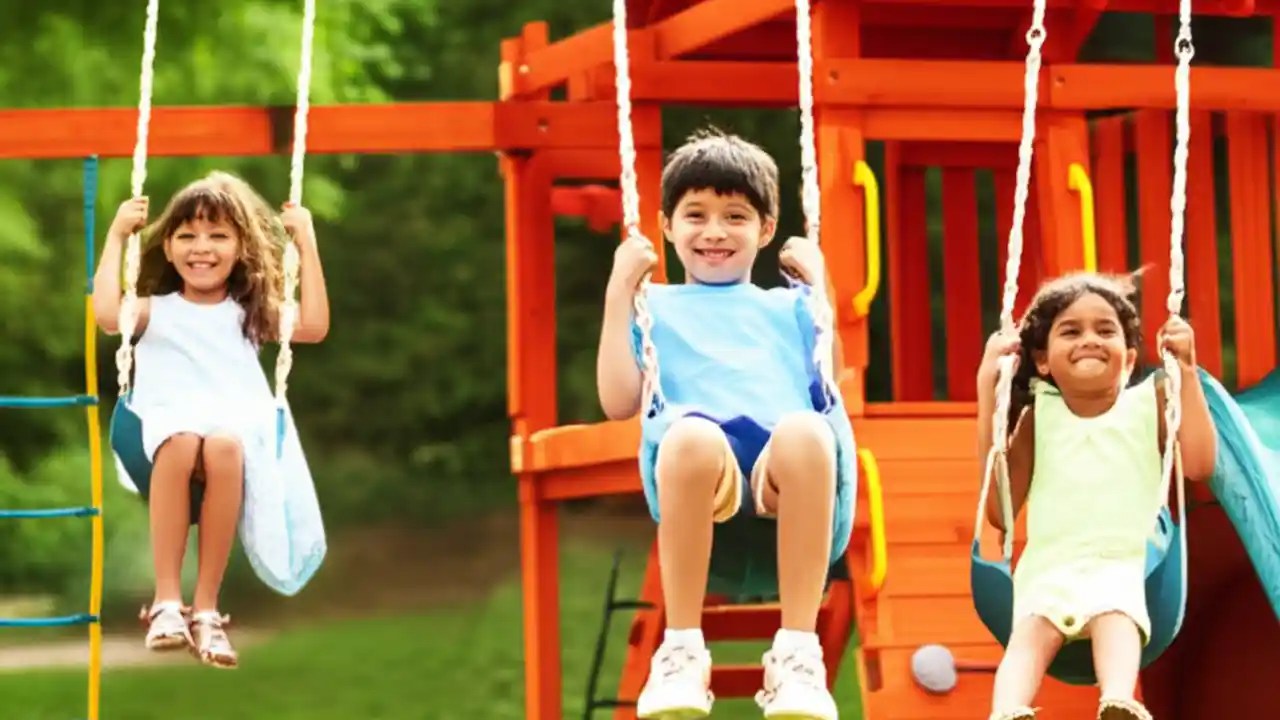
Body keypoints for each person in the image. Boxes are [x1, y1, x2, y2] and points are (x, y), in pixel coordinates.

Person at [596, 129, 857, 720]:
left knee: (808, 432)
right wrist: (619, 291)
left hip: (778, 472)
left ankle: (798, 656)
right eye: (696, 215)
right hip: (703, 471)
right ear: (667, 226)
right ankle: (682, 652)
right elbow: (618, 401)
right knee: (691, 434)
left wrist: (822, 290)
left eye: (735, 216)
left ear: (765, 230)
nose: (714, 231)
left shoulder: (789, 305)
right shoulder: (653, 305)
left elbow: (830, 380)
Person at [92, 171, 330, 669]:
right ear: (169, 246)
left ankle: (205, 611)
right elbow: (108, 316)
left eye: (218, 235)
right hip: (163, 433)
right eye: (187, 235)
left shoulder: (249, 313)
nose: (202, 248)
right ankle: (166, 602)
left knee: (223, 446)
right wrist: (116, 234)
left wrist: (306, 241)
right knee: (182, 440)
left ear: (241, 248)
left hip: (231, 435)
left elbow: (313, 326)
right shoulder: (155, 311)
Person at [975, 272, 1217, 720]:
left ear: (1129, 359)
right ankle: (1007, 711)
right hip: (1049, 566)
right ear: (1042, 361)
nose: (1089, 339)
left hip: (1126, 561)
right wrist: (988, 392)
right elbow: (999, 511)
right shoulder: (1037, 418)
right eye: (1071, 331)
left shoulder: (1152, 401)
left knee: (1116, 610)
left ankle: (1117, 702)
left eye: (1105, 330)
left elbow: (1200, 464)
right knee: (1028, 631)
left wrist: (1185, 370)